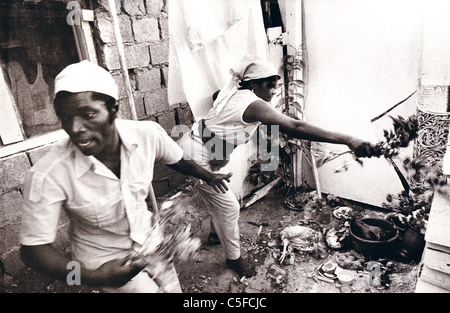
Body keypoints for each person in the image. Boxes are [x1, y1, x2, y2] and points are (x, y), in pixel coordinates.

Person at [19, 60, 232, 293]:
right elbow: (33, 251)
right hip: (103, 265)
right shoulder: (48, 173)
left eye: (88, 114)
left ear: (113, 109)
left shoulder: (147, 135)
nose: (75, 127)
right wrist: (91, 276)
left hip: (152, 244)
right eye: (64, 117)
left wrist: (207, 175)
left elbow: (177, 159)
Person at [178, 55, 379, 277]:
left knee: (219, 198)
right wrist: (349, 140)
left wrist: (219, 148)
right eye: (269, 83)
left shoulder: (236, 93)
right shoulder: (252, 104)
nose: (275, 89)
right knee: (230, 207)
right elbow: (295, 126)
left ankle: (217, 234)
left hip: (199, 146)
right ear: (253, 84)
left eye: (276, 83)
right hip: (196, 155)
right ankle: (234, 259)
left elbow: (217, 104)